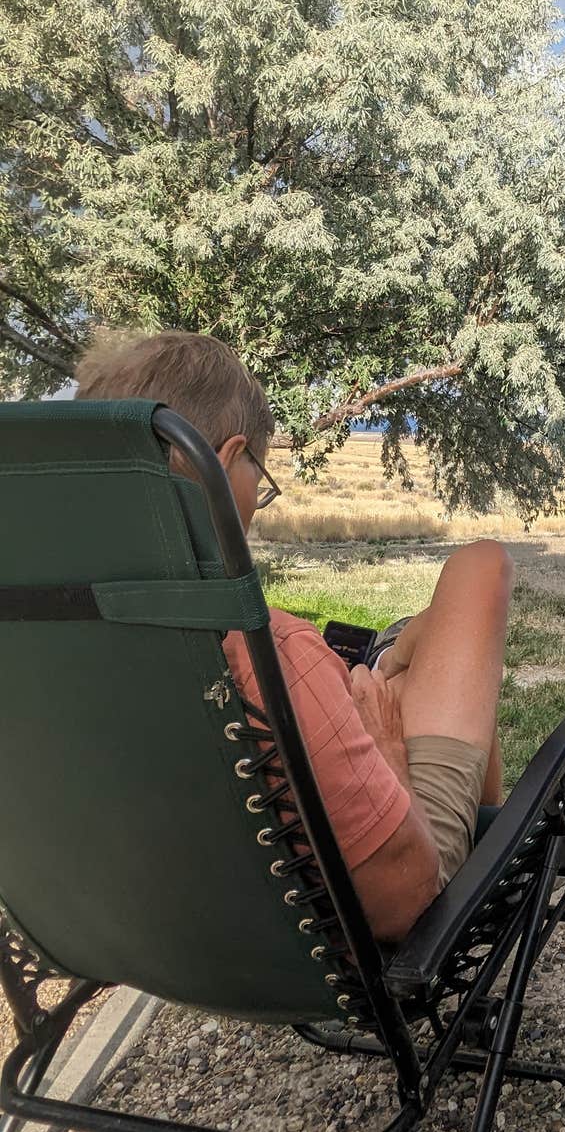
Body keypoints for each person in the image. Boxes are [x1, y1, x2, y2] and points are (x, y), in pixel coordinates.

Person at [74, 331, 512, 942]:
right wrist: (386, 750)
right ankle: (403, 678)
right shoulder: (268, 651)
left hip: (171, 920)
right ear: (225, 462)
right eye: (260, 471)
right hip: (367, 901)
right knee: (482, 568)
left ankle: (394, 657)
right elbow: (401, 898)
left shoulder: (47, 643)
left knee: (415, 654)